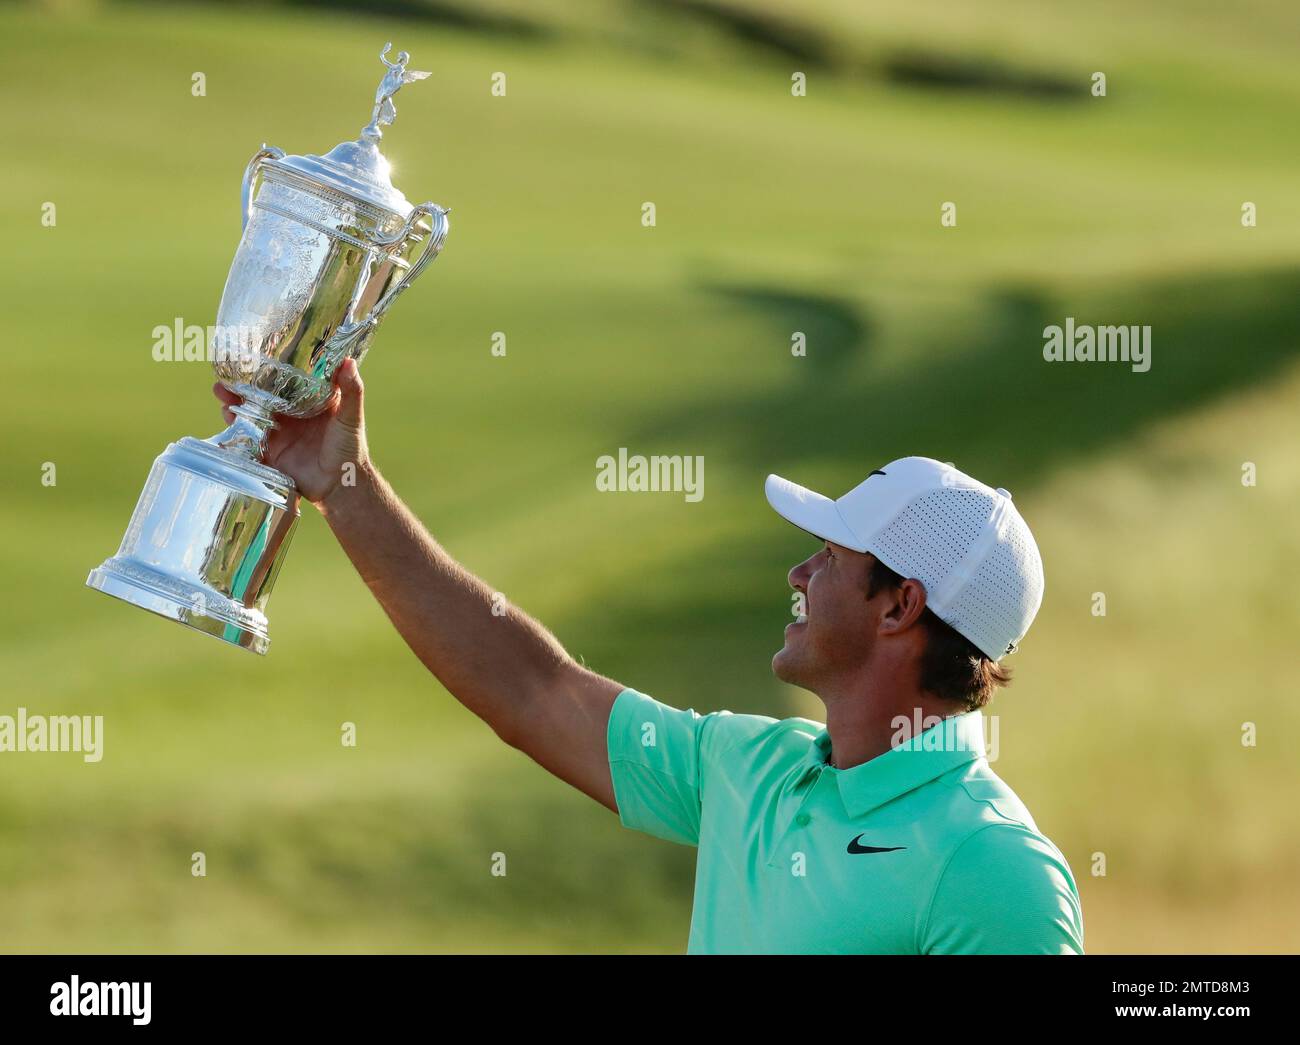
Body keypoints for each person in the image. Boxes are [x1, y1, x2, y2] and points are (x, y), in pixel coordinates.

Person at [214, 361, 1084, 954]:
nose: (800, 571)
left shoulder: (992, 867)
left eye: (831, 555)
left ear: (901, 605)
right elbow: (533, 689)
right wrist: (346, 484)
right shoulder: (752, 768)